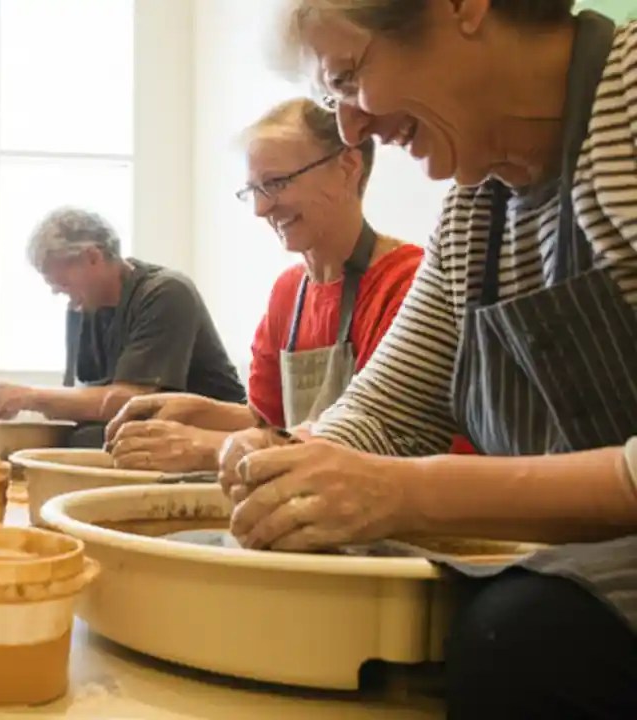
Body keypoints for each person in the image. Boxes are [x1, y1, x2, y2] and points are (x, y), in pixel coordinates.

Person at [218, 2, 637, 716]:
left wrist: (406, 492)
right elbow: (385, 411)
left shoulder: (625, 107)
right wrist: (294, 460)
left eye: (350, 79)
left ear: (464, 8)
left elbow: (402, 477)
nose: (352, 128)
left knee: (524, 638)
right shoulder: (477, 207)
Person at [106, 98, 437, 471]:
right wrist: (195, 410)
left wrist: (214, 448)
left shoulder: (408, 282)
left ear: (347, 168)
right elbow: (271, 424)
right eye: (254, 190)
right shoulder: (289, 291)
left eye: (276, 183)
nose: (260, 209)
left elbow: (382, 440)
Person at [0, 207, 244, 447]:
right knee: (66, 440)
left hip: (214, 439)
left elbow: (129, 402)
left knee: (91, 440)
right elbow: (75, 401)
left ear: (93, 257)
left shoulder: (166, 292)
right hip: (146, 432)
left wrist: (28, 396)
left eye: (62, 282)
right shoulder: (82, 305)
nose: (56, 291)